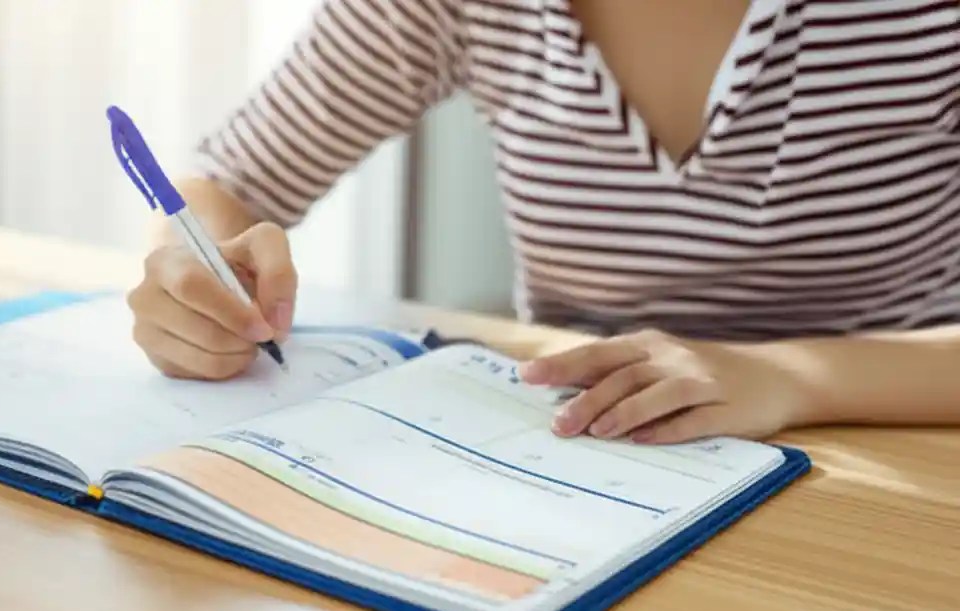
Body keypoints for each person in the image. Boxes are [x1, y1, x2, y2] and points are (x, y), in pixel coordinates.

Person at [126, 0, 960, 444]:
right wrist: (189, 274)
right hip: (582, 465)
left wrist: (792, 379)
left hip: (893, 452)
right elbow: (229, 180)